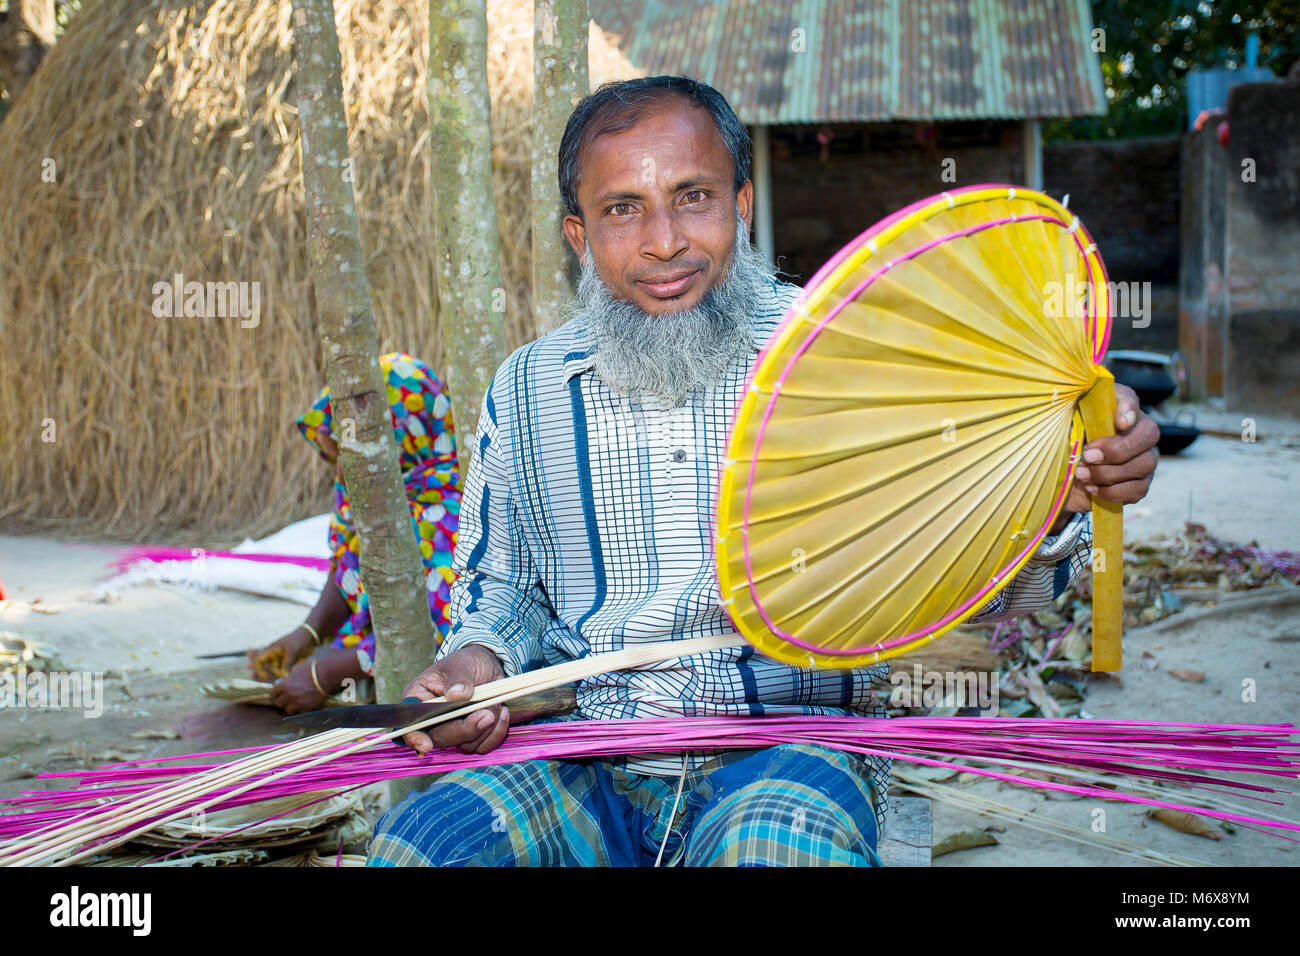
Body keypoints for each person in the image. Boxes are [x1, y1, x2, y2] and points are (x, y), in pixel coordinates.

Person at [367, 77, 1160, 867]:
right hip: (582, 750)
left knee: (778, 852)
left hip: (787, 750)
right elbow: (500, 587)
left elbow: (986, 594)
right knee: (421, 850)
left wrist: (1062, 499)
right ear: (579, 235)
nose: (664, 240)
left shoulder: (858, 361)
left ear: (740, 206)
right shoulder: (527, 388)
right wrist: (479, 662)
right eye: (621, 209)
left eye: (693, 196)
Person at [247, 352, 461, 714]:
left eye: (352, 458)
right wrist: (306, 636)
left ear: (402, 440)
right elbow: (349, 565)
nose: (342, 477)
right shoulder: (362, 489)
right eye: (335, 457)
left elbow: (441, 633)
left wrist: (328, 673)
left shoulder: (451, 515)